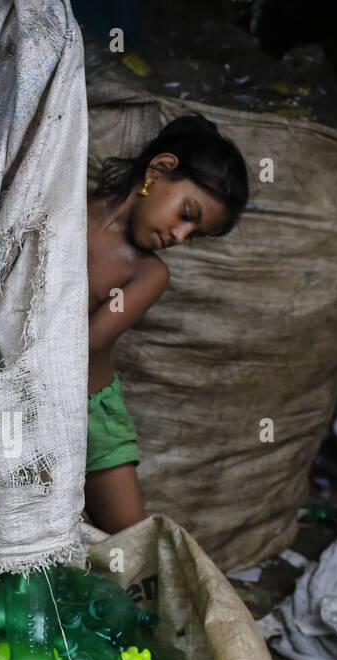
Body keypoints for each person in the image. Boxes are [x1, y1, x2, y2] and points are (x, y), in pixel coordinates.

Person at [84, 114, 249, 534]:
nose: (180, 234)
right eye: (186, 213)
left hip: (89, 413)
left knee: (131, 545)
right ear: (158, 171)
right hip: (10, 392)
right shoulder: (65, 208)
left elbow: (83, 343)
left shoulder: (148, 274)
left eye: (193, 233)